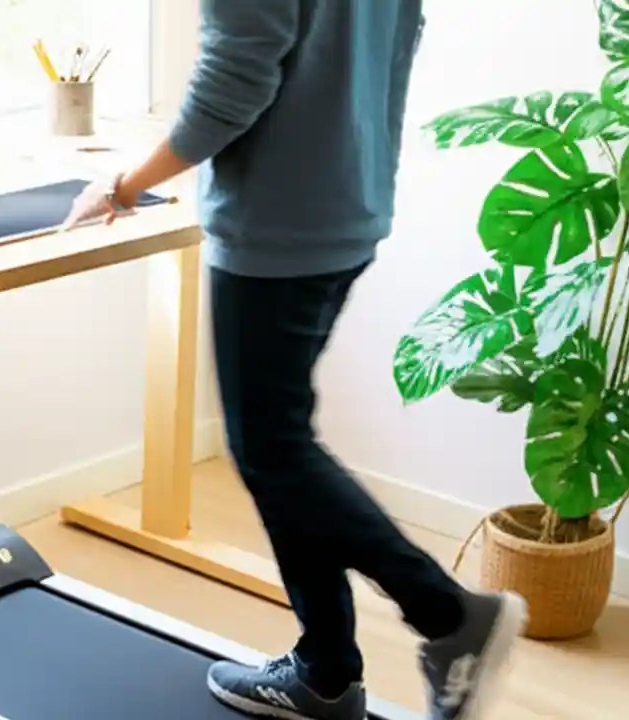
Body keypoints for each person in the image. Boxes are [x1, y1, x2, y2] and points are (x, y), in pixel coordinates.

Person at [62, 1, 526, 719]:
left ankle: (448, 616)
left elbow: (232, 82)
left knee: (273, 450)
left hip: (279, 228)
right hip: (347, 205)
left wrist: (125, 183)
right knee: (278, 448)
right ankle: (326, 670)